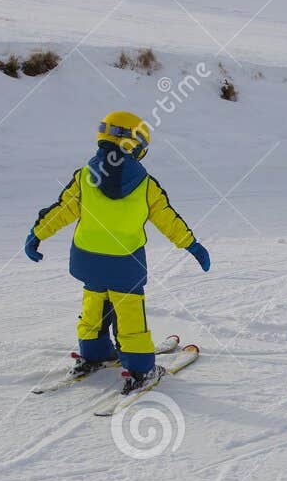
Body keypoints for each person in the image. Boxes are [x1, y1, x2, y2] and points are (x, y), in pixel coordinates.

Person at [23, 112, 210, 392]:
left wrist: (37, 235)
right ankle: (140, 369)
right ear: (136, 145)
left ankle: (94, 354)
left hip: (87, 259)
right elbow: (168, 220)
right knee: (129, 313)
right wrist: (192, 245)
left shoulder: (85, 177)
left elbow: (61, 210)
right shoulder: (146, 185)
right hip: (125, 263)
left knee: (94, 305)